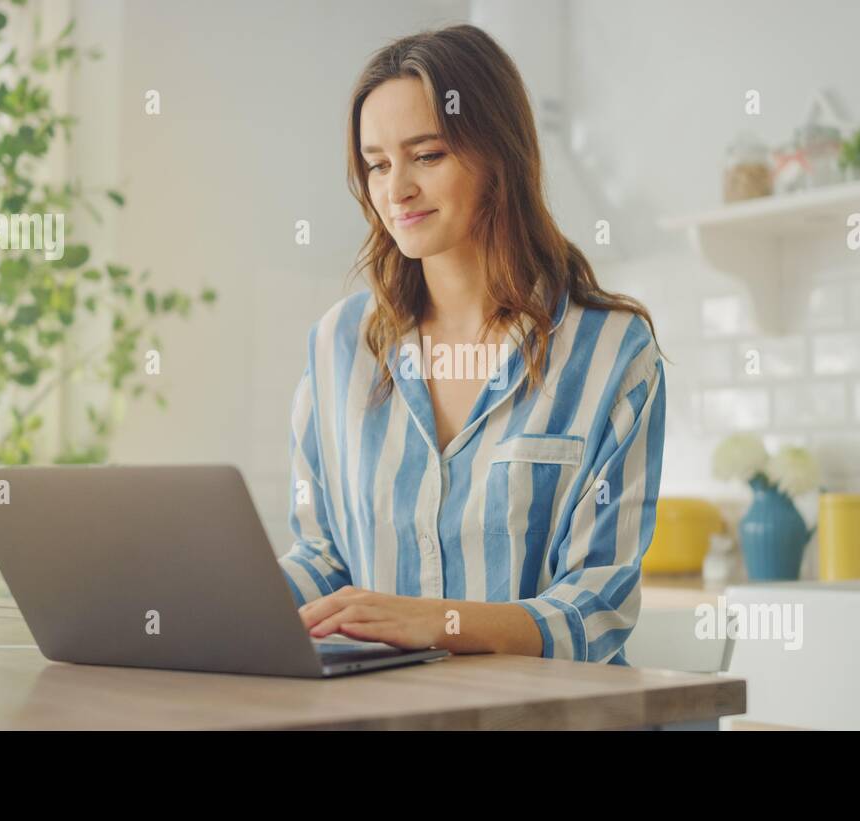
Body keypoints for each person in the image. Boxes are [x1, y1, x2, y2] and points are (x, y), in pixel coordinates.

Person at [278, 24, 666, 665]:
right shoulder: (336, 347)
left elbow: (595, 609)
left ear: (499, 159)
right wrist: (212, 606)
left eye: (427, 155)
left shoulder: (611, 354)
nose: (395, 189)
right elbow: (324, 560)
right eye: (377, 165)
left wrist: (439, 623)